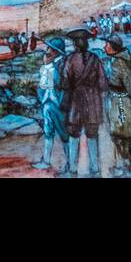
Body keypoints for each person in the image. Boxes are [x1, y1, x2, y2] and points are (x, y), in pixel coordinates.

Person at [58, 28, 109, 178]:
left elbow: (64, 83)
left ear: (75, 44)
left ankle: (73, 170)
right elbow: (103, 83)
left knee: (74, 135)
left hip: (76, 102)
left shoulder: (70, 59)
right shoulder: (95, 59)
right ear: (86, 43)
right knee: (92, 135)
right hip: (93, 102)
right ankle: (95, 170)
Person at [102, 35, 131, 177]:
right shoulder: (113, 60)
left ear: (114, 48)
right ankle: (121, 166)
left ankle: (128, 169)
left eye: (107, 45)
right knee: (117, 136)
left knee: (122, 135)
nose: (104, 47)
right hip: (115, 100)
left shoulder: (120, 63)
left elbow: (130, 86)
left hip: (122, 102)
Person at [34, 37, 71, 173]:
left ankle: (69, 163)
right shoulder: (47, 65)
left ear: (55, 51)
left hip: (59, 104)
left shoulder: (62, 65)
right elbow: (42, 85)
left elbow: (64, 85)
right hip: (47, 103)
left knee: (64, 134)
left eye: (49, 48)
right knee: (48, 132)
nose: (47, 50)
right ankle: (46, 160)